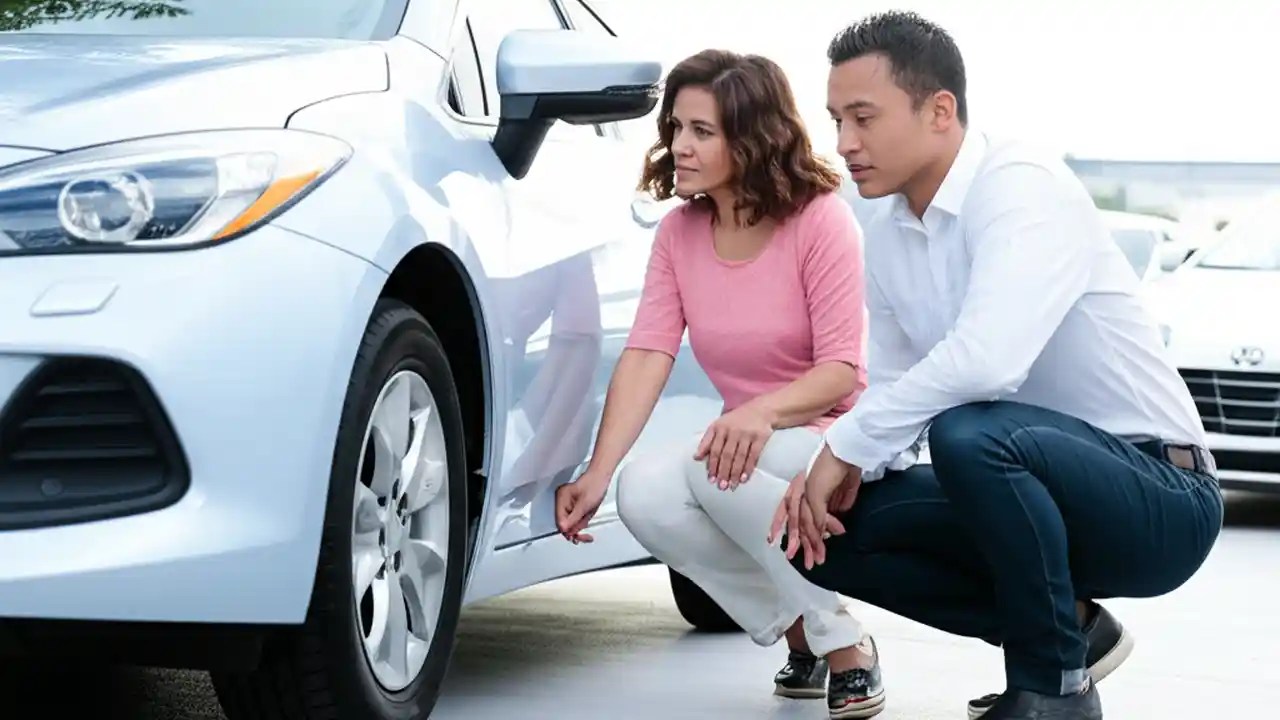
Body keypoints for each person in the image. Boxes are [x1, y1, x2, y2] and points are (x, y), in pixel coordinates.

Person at [769, 11, 1225, 720]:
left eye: (863, 117)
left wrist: (842, 444)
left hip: (1158, 495)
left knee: (970, 433)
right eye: (835, 120)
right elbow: (891, 384)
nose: (844, 144)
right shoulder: (886, 229)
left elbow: (987, 363)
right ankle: (1068, 632)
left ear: (939, 111)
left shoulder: (1020, 184)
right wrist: (841, 474)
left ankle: (1052, 691)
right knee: (817, 540)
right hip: (1025, 487)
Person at [555, 49, 889, 718]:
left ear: (753, 136)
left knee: (719, 469)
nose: (679, 146)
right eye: (676, 127)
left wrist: (761, 414)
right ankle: (803, 627)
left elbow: (842, 369)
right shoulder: (680, 233)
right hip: (748, 443)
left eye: (701, 131)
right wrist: (597, 471)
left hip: (830, 439)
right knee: (643, 493)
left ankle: (846, 648)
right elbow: (649, 351)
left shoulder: (820, 218)